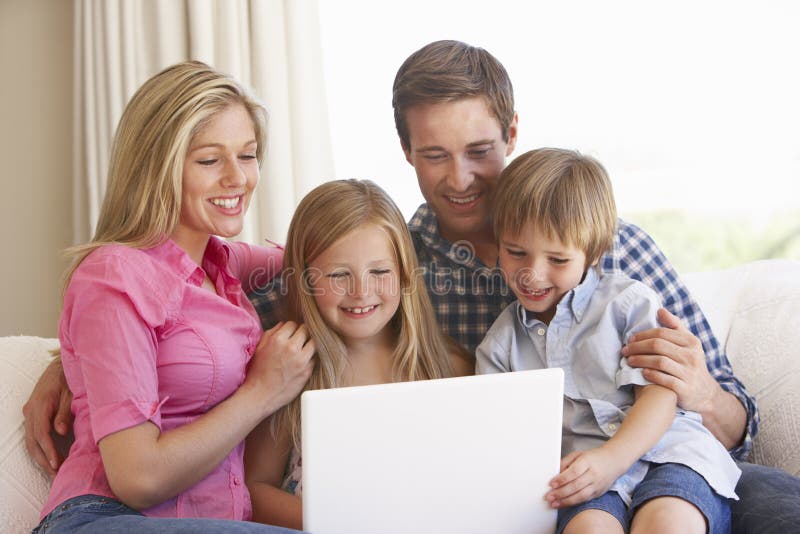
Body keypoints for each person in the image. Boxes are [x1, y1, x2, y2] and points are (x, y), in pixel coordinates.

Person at [23, 39, 800, 532]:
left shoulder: (615, 249)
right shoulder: (397, 265)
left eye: (480, 149)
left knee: (774, 502)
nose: (461, 179)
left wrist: (699, 391)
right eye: (434, 156)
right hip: (560, 496)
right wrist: (75, 358)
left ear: (514, 134)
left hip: (659, 459)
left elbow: (739, 421)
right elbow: (264, 287)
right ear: (406, 152)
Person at [32, 61, 313, 533]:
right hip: (106, 518)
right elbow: (137, 478)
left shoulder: (223, 263)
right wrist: (262, 392)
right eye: (209, 160)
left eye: (247, 155)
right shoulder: (113, 274)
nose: (238, 178)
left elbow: (314, 257)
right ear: (157, 167)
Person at [476, 148, 741, 533]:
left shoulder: (626, 304)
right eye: (516, 253)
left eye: (558, 260)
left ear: (594, 253)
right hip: (584, 475)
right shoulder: (500, 348)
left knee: (668, 523)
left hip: (670, 455)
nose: (532, 274)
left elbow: (659, 394)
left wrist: (612, 459)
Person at [244, 179, 473, 530]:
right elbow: (254, 489)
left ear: (403, 273)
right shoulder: (288, 372)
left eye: (379, 271)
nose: (361, 292)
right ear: (304, 280)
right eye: (338, 275)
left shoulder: (449, 368)